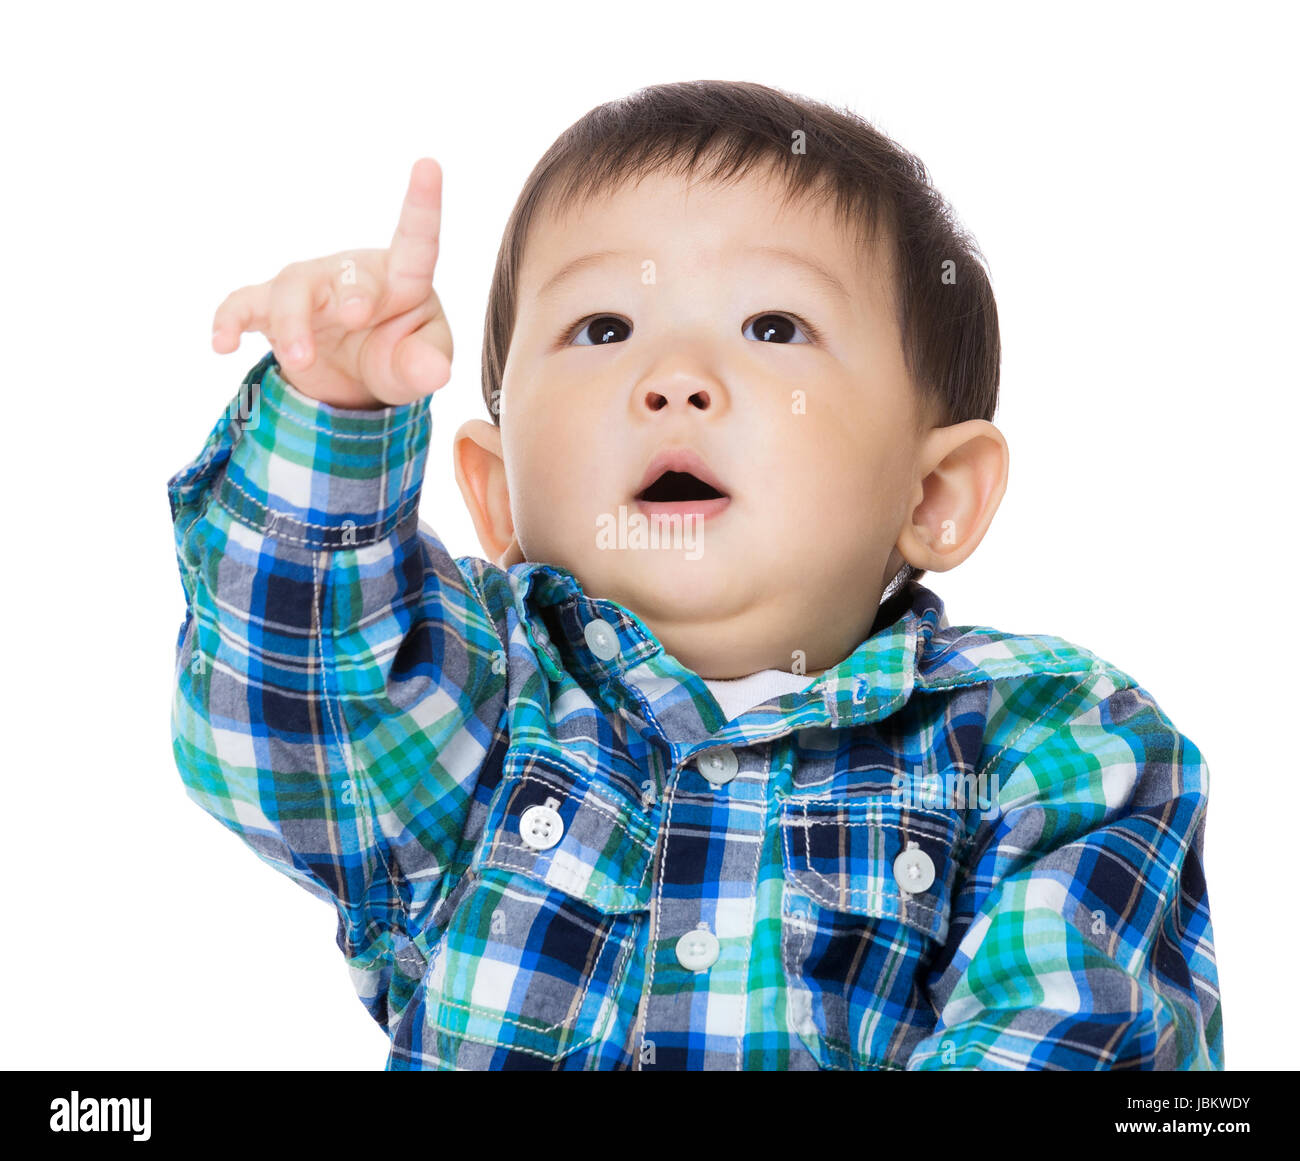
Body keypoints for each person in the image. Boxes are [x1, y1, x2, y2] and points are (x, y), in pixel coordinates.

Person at [168, 79, 1222, 1070]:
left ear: (933, 494)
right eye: (604, 329)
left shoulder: (1052, 739)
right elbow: (287, 707)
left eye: (773, 327)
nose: (674, 378)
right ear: (497, 494)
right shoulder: (478, 709)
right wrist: (337, 412)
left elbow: (1073, 1031)